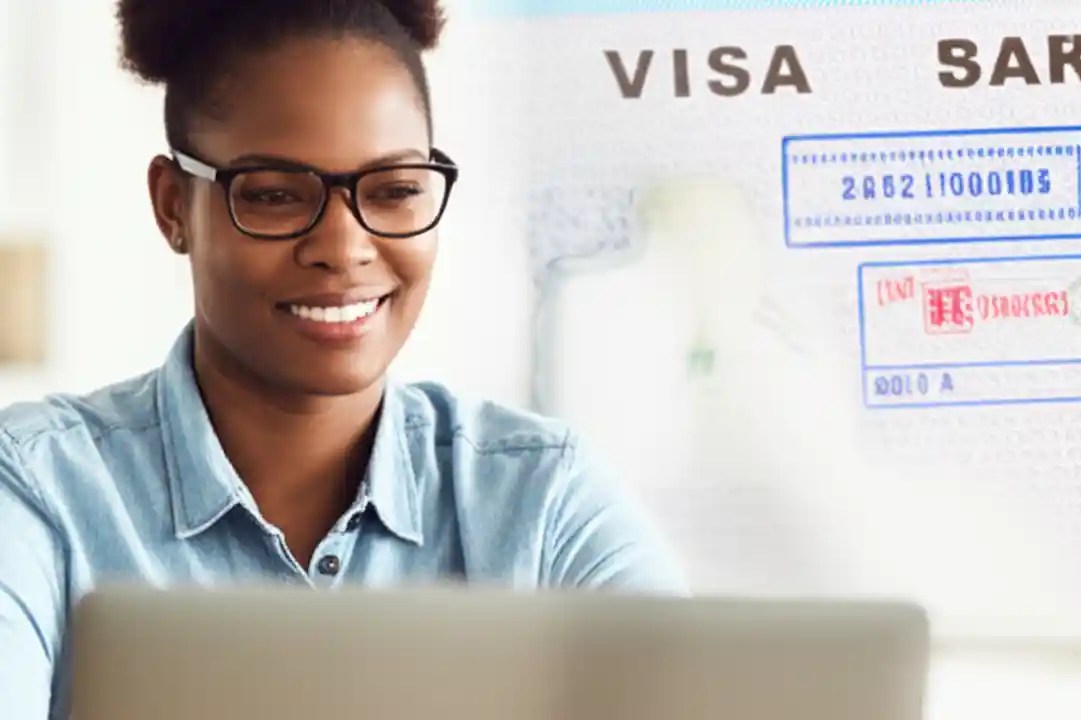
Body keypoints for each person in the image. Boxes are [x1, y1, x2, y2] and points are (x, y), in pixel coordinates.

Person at [0, 1, 686, 717]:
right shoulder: (38, 491)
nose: (344, 246)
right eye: (272, 195)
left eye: (394, 191)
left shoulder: (543, 501)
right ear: (174, 206)